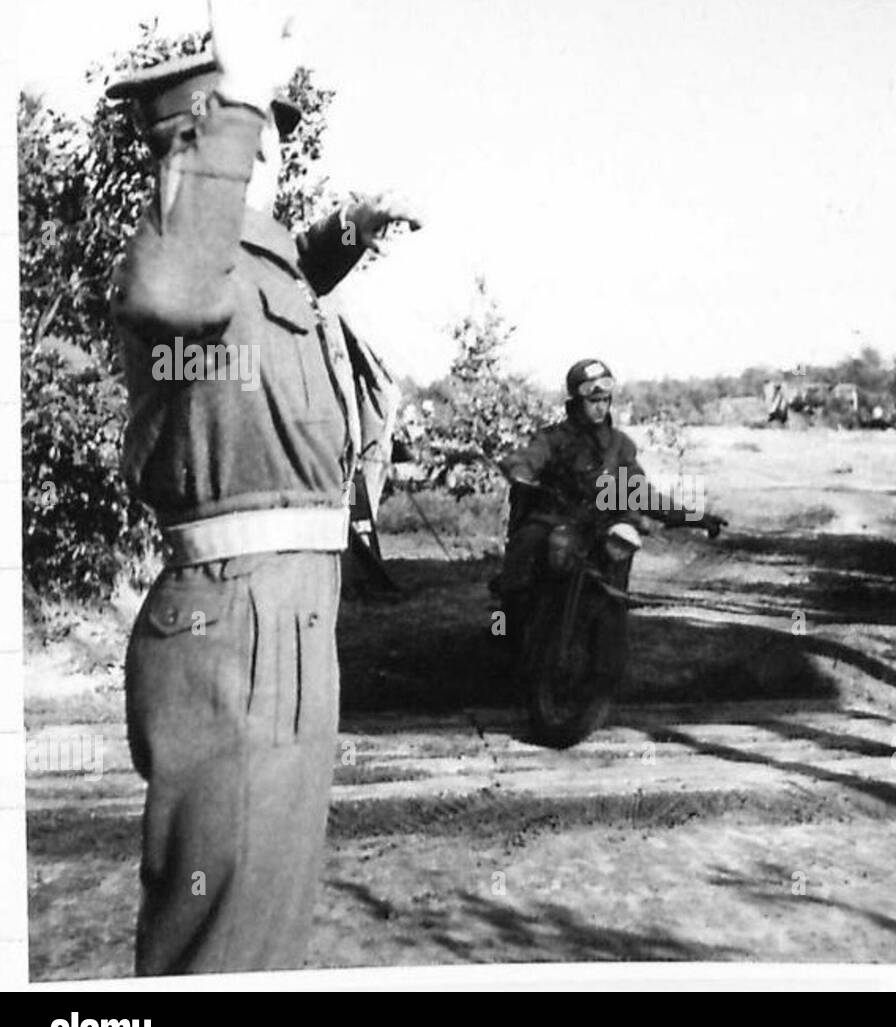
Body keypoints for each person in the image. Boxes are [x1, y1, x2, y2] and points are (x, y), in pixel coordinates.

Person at [108, 2, 420, 975]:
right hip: (236, 625)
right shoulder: (176, 260)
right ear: (200, 135)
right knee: (223, 927)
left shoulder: (243, 260)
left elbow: (269, 297)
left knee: (267, 915)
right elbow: (183, 291)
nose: (275, 139)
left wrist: (342, 235)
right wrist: (237, 98)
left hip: (284, 616)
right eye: (255, 125)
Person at [496, 359, 724, 634]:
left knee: (622, 545)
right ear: (576, 401)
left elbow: (643, 495)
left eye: (604, 399)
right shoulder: (552, 438)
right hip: (555, 520)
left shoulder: (620, 446)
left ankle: (609, 638)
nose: (600, 406)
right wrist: (519, 470)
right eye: (593, 400)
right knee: (522, 553)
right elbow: (527, 459)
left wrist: (696, 518)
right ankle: (504, 628)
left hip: (601, 527)